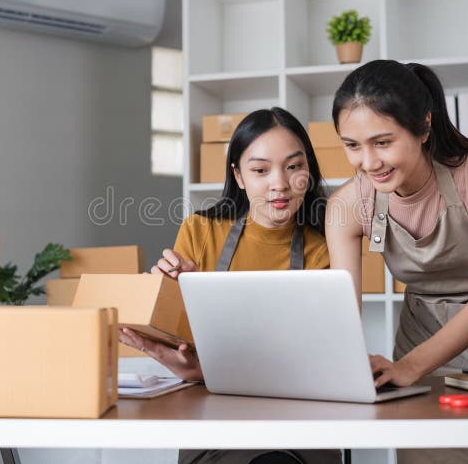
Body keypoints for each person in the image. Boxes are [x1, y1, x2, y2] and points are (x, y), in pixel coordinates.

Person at [325, 60, 468, 463]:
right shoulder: (346, 204)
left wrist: (409, 366)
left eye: (382, 142)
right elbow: (343, 313)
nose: (368, 162)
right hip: (419, 339)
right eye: (352, 146)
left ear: (424, 127)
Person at [120, 107, 341, 464]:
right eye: (259, 170)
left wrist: (206, 369)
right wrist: (166, 299)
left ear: (309, 171)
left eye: (294, 166)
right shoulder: (199, 231)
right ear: (238, 176)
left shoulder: (326, 247)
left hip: (300, 423)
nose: (280, 183)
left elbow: (318, 361)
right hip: (214, 423)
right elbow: (178, 343)